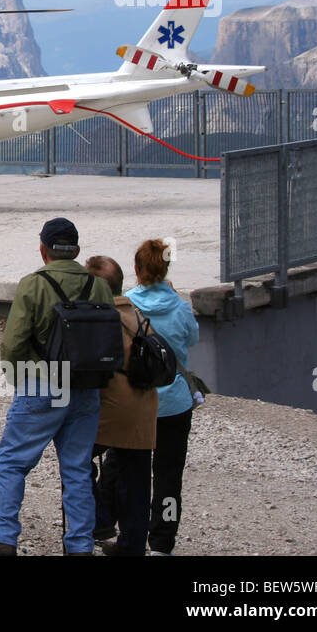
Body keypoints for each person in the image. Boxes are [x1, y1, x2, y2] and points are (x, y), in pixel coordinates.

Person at [0, 217, 113, 556]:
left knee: (11, 462)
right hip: (87, 387)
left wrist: (21, 380)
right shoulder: (99, 286)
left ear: (43, 249)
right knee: (77, 469)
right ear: (76, 249)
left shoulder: (33, 284)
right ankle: (80, 546)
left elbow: (13, 343)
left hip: (44, 383)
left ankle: (2, 538)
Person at [126, 238, 200, 556]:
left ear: (137, 269)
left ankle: (128, 534)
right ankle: (162, 544)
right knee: (169, 476)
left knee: (131, 470)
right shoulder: (181, 307)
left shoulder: (127, 304)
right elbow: (193, 338)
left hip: (138, 401)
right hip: (175, 403)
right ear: (165, 268)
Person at [85, 255, 157, 556]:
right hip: (145, 410)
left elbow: (91, 369)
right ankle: (132, 545)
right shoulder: (138, 315)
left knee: (77, 459)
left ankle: (97, 520)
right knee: (138, 481)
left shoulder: (103, 320)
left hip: (113, 410)